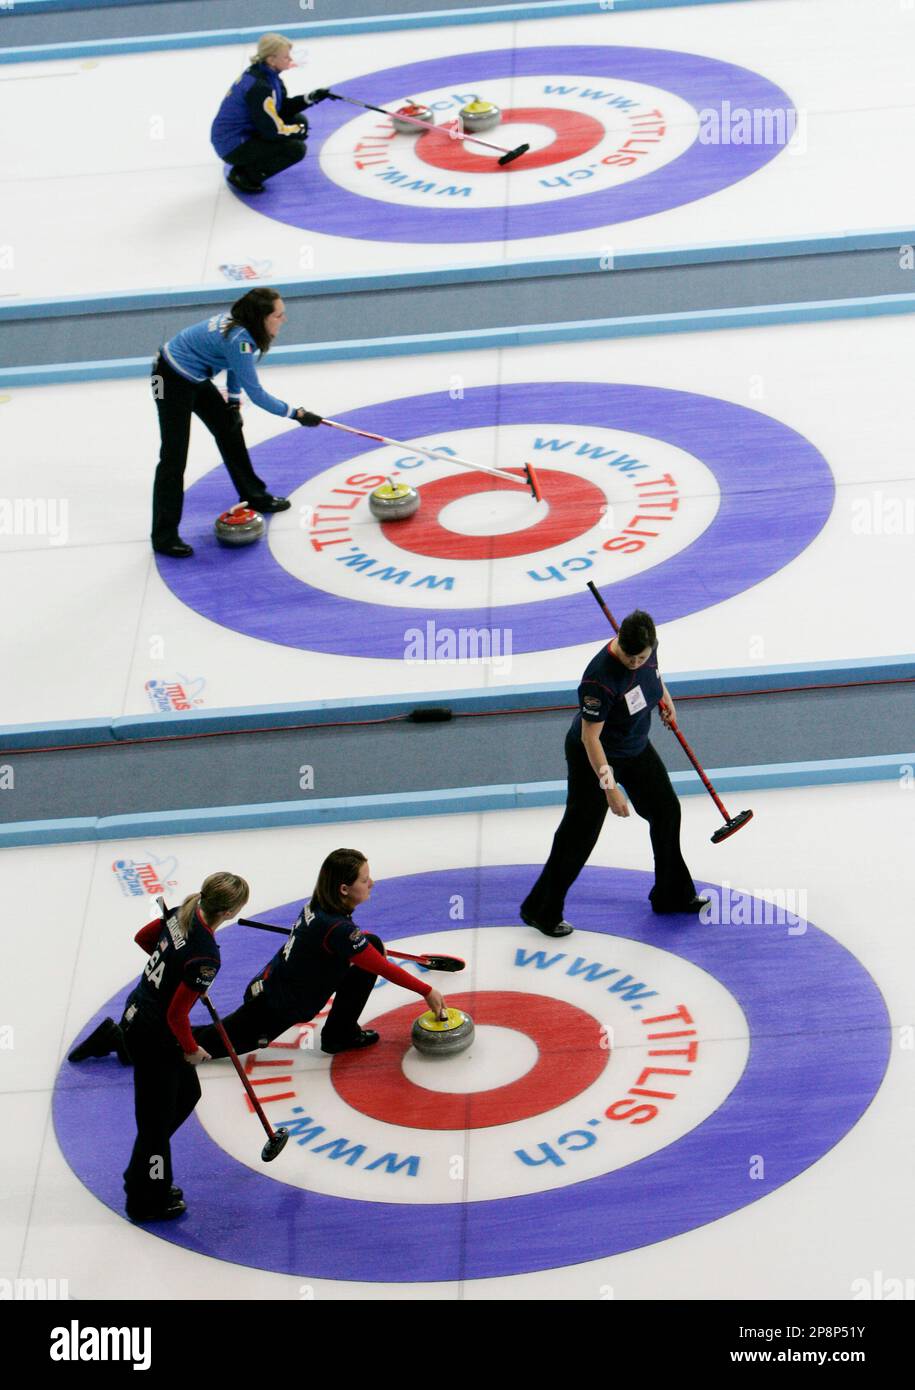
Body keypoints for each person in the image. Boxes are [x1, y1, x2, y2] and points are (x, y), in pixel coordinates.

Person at [69, 872, 250, 1223]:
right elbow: (178, 1015)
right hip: (156, 1038)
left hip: (139, 1014)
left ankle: (142, 1168)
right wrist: (192, 1049)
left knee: (186, 1095)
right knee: (155, 1126)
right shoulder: (205, 956)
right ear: (229, 912)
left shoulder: (186, 910)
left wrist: (176, 973)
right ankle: (145, 1198)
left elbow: (145, 938)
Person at [520, 609, 709, 937]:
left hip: (634, 746)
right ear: (618, 643)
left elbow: (653, 676)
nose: (634, 662)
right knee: (579, 834)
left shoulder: (648, 648)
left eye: (641, 657)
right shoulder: (598, 678)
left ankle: (671, 894)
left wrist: (665, 700)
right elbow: (589, 737)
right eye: (628, 656)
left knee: (666, 812)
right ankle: (541, 909)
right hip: (594, 757)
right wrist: (609, 787)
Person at [192, 849, 447, 1059]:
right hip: (278, 1005)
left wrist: (356, 945)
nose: (372, 883)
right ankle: (159, 1042)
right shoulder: (338, 929)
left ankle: (341, 1034)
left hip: (278, 980)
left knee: (371, 943)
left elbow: (363, 950)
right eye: (364, 879)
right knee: (208, 1045)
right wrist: (427, 990)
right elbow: (382, 967)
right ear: (344, 889)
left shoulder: (320, 904)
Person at [151, 287, 323, 557]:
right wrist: (297, 414)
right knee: (173, 456)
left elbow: (233, 365)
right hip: (167, 379)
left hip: (193, 377)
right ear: (261, 318)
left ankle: (254, 495)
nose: (283, 320)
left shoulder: (241, 331)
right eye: (279, 315)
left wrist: (232, 402)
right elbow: (257, 393)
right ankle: (163, 536)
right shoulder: (239, 339)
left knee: (229, 427)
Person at [210, 32, 332, 194]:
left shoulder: (266, 74)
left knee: (299, 120)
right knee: (295, 148)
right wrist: (297, 130)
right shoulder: (261, 88)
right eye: (285, 57)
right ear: (271, 59)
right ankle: (245, 176)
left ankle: (252, 162)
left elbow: (280, 109)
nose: (290, 60)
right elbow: (271, 131)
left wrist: (310, 98)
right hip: (232, 145)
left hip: (240, 134)